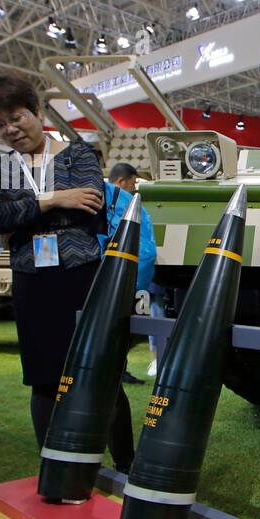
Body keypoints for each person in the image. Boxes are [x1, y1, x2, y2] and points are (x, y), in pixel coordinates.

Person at [0, 73, 134, 474]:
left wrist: (22, 214)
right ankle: (54, 466)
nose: (10, 129)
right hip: (33, 283)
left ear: (37, 112)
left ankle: (128, 464)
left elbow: (90, 204)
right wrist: (55, 199)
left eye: (16, 117)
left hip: (82, 278)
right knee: (44, 379)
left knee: (102, 374)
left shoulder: (79, 154)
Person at [101, 163, 157, 384]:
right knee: (122, 327)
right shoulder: (121, 203)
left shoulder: (108, 201)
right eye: (133, 182)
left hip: (111, 278)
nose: (134, 188)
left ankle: (116, 368)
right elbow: (145, 251)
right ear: (122, 181)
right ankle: (116, 369)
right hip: (126, 279)